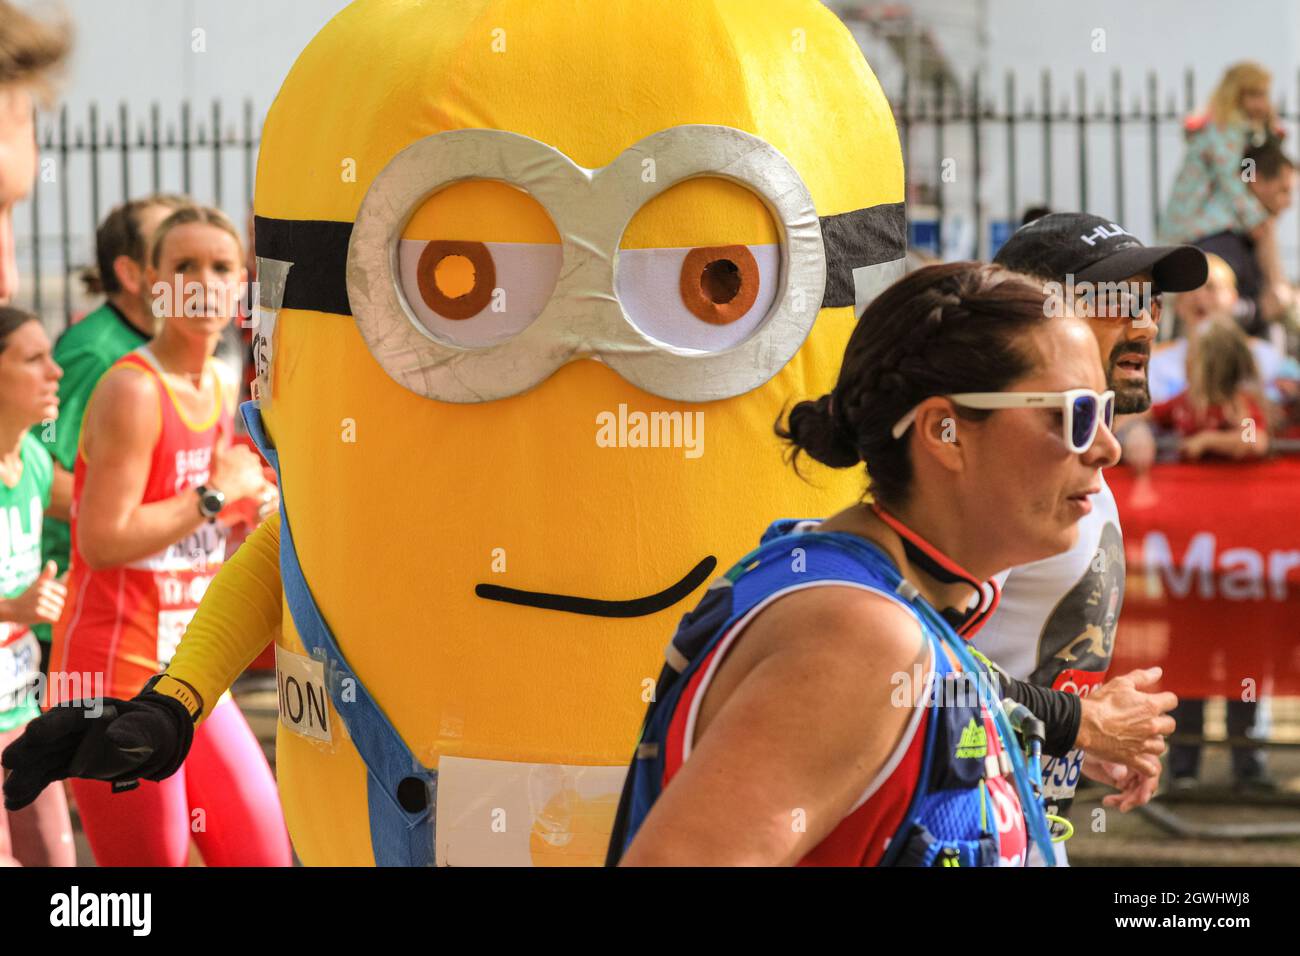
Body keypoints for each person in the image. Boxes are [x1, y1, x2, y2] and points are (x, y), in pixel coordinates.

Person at [609, 262, 1161, 866]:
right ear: (944, 432)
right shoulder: (859, 636)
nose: (1106, 445)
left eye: (1106, 412)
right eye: (1074, 414)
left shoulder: (892, 600)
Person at [29, 205, 288, 866]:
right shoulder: (132, 390)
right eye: (184, 267)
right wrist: (213, 498)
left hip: (193, 668)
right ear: (150, 282)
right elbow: (102, 539)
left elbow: (212, 533)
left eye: (222, 266)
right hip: (112, 672)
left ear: (241, 286)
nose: (204, 281)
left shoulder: (224, 384)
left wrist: (246, 511)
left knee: (260, 850)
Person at [985, 211, 1208, 864]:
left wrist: (1080, 746)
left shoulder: (1083, 446)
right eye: (1116, 300)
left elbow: (1007, 671)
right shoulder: (1005, 466)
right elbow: (912, 669)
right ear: (1037, 317)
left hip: (1018, 832)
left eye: (1150, 301)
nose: (1144, 322)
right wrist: (1084, 723)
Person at [33, 196, 186, 649]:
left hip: (149, 606)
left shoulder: (169, 350)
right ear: (133, 273)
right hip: (73, 608)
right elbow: (41, 476)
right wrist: (188, 509)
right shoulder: (95, 351)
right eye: (174, 254)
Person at [0, 306, 73, 866]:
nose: (57, 372)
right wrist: (11, 606)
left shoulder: (31, 457)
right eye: (33, 359)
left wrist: (215, 498)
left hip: (18, 708)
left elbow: (102, 513)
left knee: (56, 861)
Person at [1160, 62, 1289, 332]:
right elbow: (1232, 181)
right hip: (1198, 218)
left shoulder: (1246, 129)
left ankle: (1281, 296)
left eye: (1262, 95)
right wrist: (1257, 219)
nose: (1260, 103)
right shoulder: (1222, 129)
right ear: (1236, 96)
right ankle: (1282, 299)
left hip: (1220, 213)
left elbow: (1245, 175)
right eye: (1252, 95)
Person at [1193, 140, 1296, 340]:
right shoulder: (1222, 242)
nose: (1289, 202)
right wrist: (1261, 310)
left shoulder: (1256, 237)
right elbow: (1204, 308)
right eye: (1284, 190)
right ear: (1256, 181)